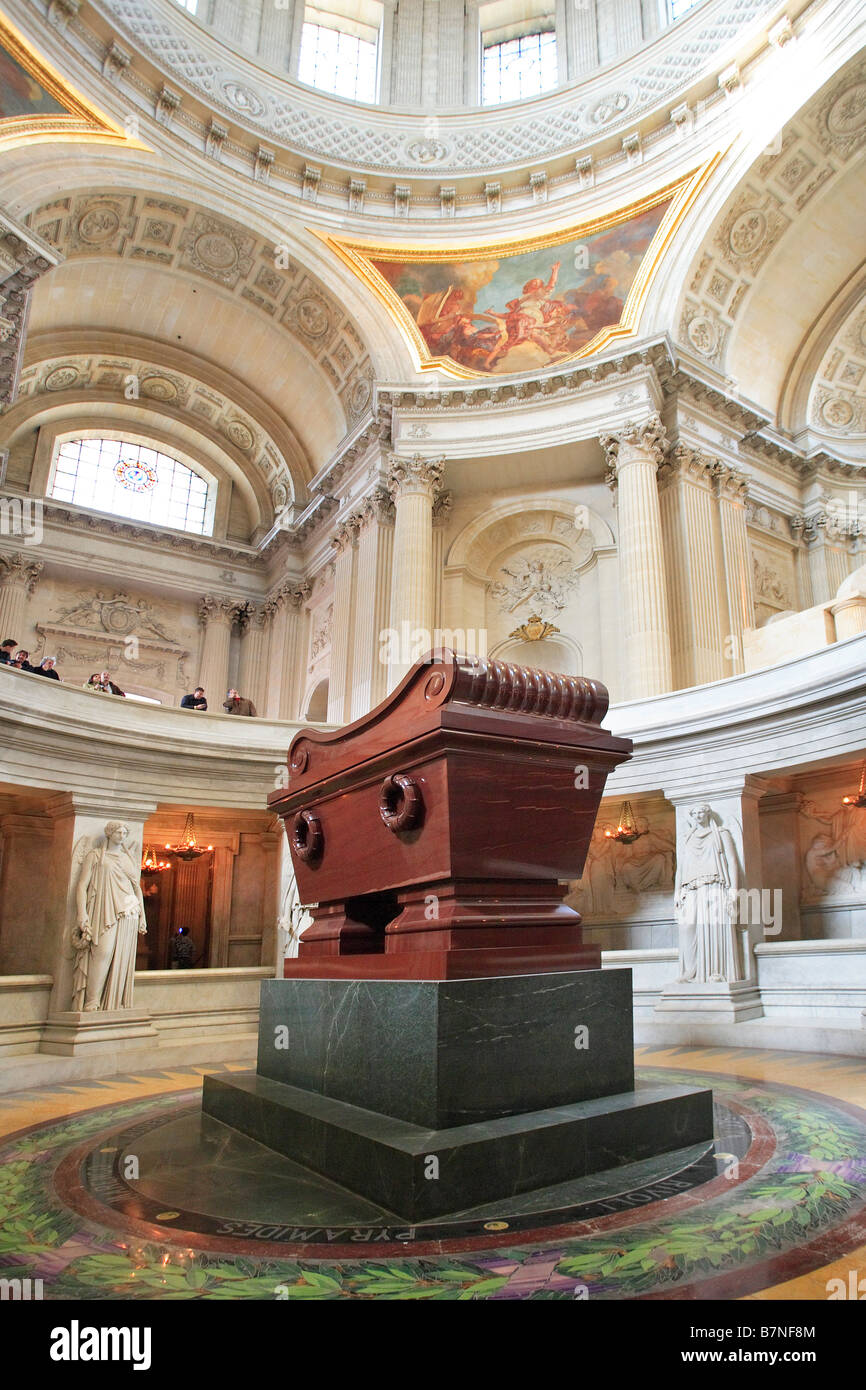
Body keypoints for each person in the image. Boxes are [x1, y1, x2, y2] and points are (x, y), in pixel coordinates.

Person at [71, 821, 147, 1011]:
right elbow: (82, 885)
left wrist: (143, 917)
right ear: (109, 833)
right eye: (118, 832)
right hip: (105, 908)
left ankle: (114, 1002)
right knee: (102, 952)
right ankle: (93, 1000)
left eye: (124, 832)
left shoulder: (128, 858)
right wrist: (82, 913)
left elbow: (137, 888)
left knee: (121, 957)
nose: (122, 835)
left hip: (129, 912)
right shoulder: (95, 855)